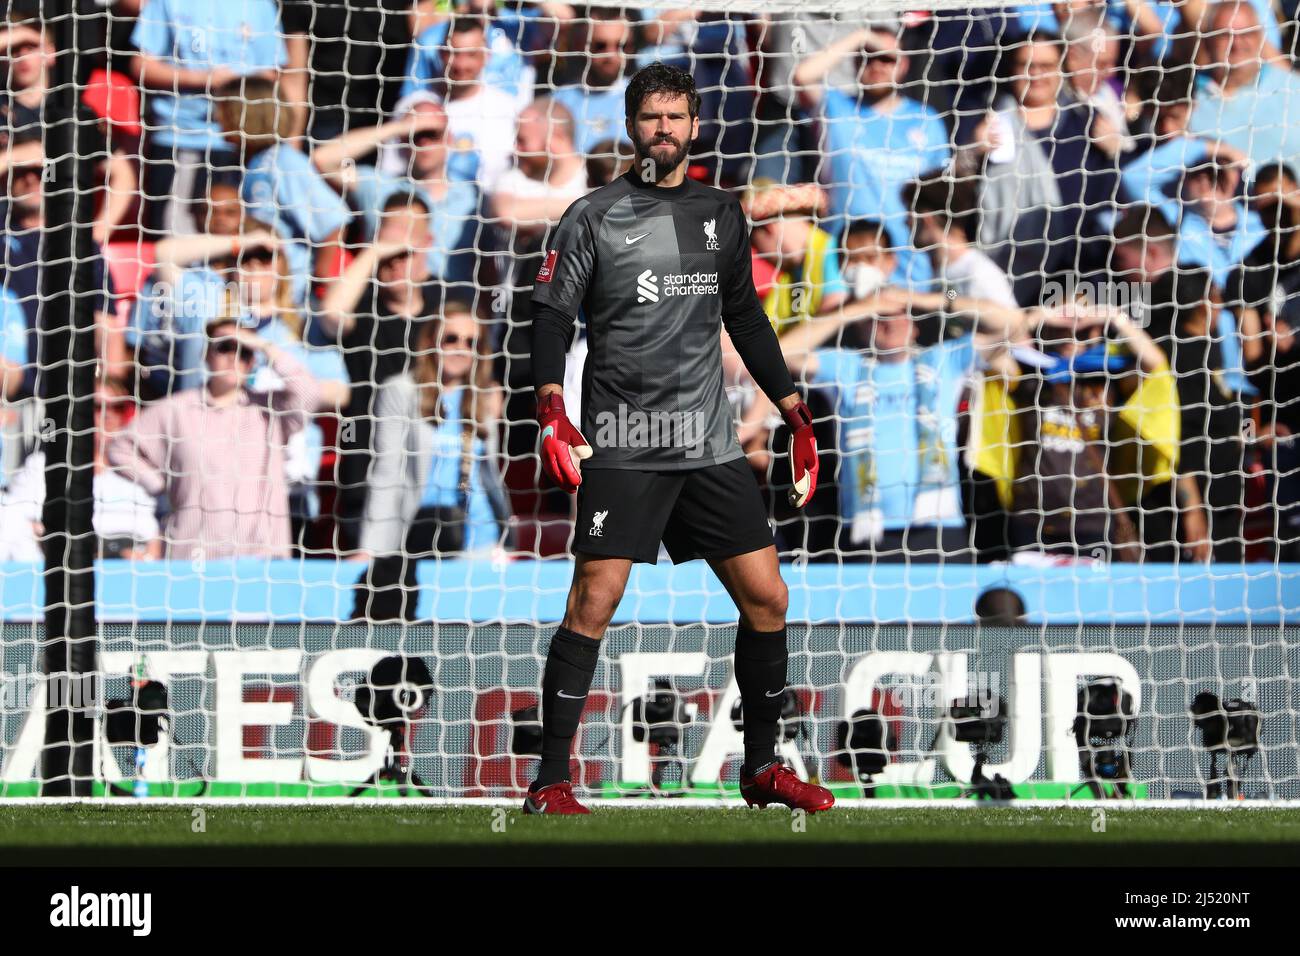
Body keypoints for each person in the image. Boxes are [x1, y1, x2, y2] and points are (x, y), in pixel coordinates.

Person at [525, 63, 831, 815]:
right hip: (624, 440)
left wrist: (792, 409)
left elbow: (746, 318)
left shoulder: (722, 214)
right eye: (650, 117)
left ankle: (761, 769)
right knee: (595, 600)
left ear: (694, 127)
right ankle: (550, 782)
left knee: (768, 597)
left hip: (708, 442)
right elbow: (551, 318)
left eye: (675, 118)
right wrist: (550, 407)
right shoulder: (592, 215)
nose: (663, 129)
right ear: (633, 125)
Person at [108, 319, 321, 560]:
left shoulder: (271, 411)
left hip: (261, 560)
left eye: (244, 352)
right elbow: (119, 448)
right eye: (225, 347)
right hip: (191, 556)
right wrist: (161, 487)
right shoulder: (175, 410)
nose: (234, 357)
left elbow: (310, 393)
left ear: (252, 362)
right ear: (206, 355)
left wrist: (264, 346)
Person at [354, 301, 507, 619]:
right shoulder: (401, 391)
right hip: (416, 538)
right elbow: (387, 472)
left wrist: (504, 541)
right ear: (431, 342)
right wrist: (371, 547)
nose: (460, 349)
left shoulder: (483, 396)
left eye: (471, 342)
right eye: (451, 338)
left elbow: (489, 474)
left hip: (479, 538)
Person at [318, 194, 443, 551]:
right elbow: (330, 316)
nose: (395, 258)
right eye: (388, 240)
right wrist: (373, 253)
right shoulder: (363, 302)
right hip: (367, 467)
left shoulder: (446, 305)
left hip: (432, 473)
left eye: (406, 245)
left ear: (426, 244)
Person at [792, 26, 950, 286]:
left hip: (908, 264)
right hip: (845, 259)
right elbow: (802, 75)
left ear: (904, 65)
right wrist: (860, 36)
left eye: (887, 58)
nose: (877, 64)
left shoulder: (926, 120)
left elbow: (940, 194)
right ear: (855, 62)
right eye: (867, 56)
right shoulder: (836, 108)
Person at [130, 0, 286, 238]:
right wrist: (205, 79)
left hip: (241, 145)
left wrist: (236, 88)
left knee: (236, 236)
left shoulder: (260, 5)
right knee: (176, 238)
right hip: (181, 139)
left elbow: (271, 72)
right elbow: (141, 65)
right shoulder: (167, 3)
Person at [311, 96, 480, 290]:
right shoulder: (377, 187)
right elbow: (323, 159)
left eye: (432, 134)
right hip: (384, 306)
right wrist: (398, 127)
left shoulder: (472, 198)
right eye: (415, 135)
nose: (423, 143)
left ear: (449, 138)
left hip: (449, 308)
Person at [215, 76, 348, 299]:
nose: (216, 118)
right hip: (254, 289)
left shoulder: (282, 162)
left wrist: (318, 285)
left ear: (244, 114)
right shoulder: (246, 164)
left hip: (290, 295)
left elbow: (333, 221)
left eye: (223, 109)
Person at [0, 378, 161, 561]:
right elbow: (19, 523)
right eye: (96, 407)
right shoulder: (42, 466)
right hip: (58, 563)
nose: (107, 415)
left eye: (117, 407)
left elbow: (156, 534)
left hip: (130, 569)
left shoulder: (139, 471)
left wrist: (146, 556)